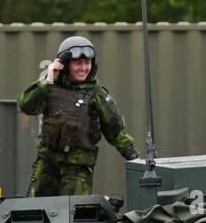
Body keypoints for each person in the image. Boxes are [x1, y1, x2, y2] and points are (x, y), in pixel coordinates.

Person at [18, 35, 138, 196]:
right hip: (48, 164)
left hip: (78, 169)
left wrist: (137, 161)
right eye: (78, 63)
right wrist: (48, 79)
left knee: (73, 214)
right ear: (65, 64)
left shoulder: (97, 95)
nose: (83, 68)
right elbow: (27, 105)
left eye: (87, 62)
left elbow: (116, 133)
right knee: (40, 213)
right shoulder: (49, 88)